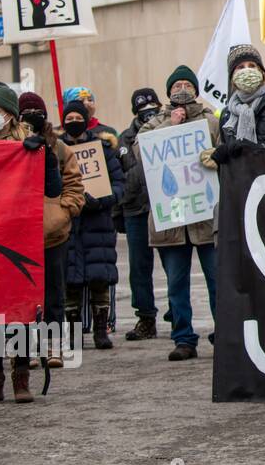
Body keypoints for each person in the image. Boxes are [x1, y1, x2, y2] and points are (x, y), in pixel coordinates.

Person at [0, 86, 64, 404]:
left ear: (10, 115)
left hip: (20, 240)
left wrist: (46, 156)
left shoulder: (31, 144)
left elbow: (53, 190)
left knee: (20, 307)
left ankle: (20, 377)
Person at [141, 65, 220, 362]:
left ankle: (223, 332)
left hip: (206, 218)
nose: (182, 89)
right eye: (177, 86)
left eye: (187, 84)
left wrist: (217, 159)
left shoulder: (212, 122)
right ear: (168, 92)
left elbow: (225, 153)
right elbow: (140, 153)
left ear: (196, 89)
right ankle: (183, 337)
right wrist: (169, 127)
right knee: (176, 283)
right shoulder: (154, 123)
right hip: (171, 222)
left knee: (216, 279)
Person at [15, 90, 84, 367]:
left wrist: (62, 211)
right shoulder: (11, 147)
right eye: (26, 113)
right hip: (19, 235)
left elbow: (74, 185)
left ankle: (53, 347)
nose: (32, 117)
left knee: (54, 293)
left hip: (53, 234)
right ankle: (28, 349)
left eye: (37, 112)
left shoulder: (59, 148)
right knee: (24, 296)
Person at [59, 100, 125, 351]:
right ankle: (74, 333)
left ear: (86, 120)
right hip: (69, 224)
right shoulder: (57, 149)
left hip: (98, 223)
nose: (73, 121)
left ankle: (100, 330)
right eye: (69, 117)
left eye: (78, 117)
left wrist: (102, 200)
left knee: (100, 280)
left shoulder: (104, 148)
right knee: (70, 282)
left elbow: (119, 183)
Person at [116, 88, 163, 340]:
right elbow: (117, 176)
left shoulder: (167, 130)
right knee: (139, 268)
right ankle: (145, 317)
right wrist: (117, 213)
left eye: (152, 106)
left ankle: (178, 314)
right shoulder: (123, 139)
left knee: (174, 265)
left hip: (164, 207)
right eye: (143, 108)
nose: (148, 111)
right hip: (135, 210)